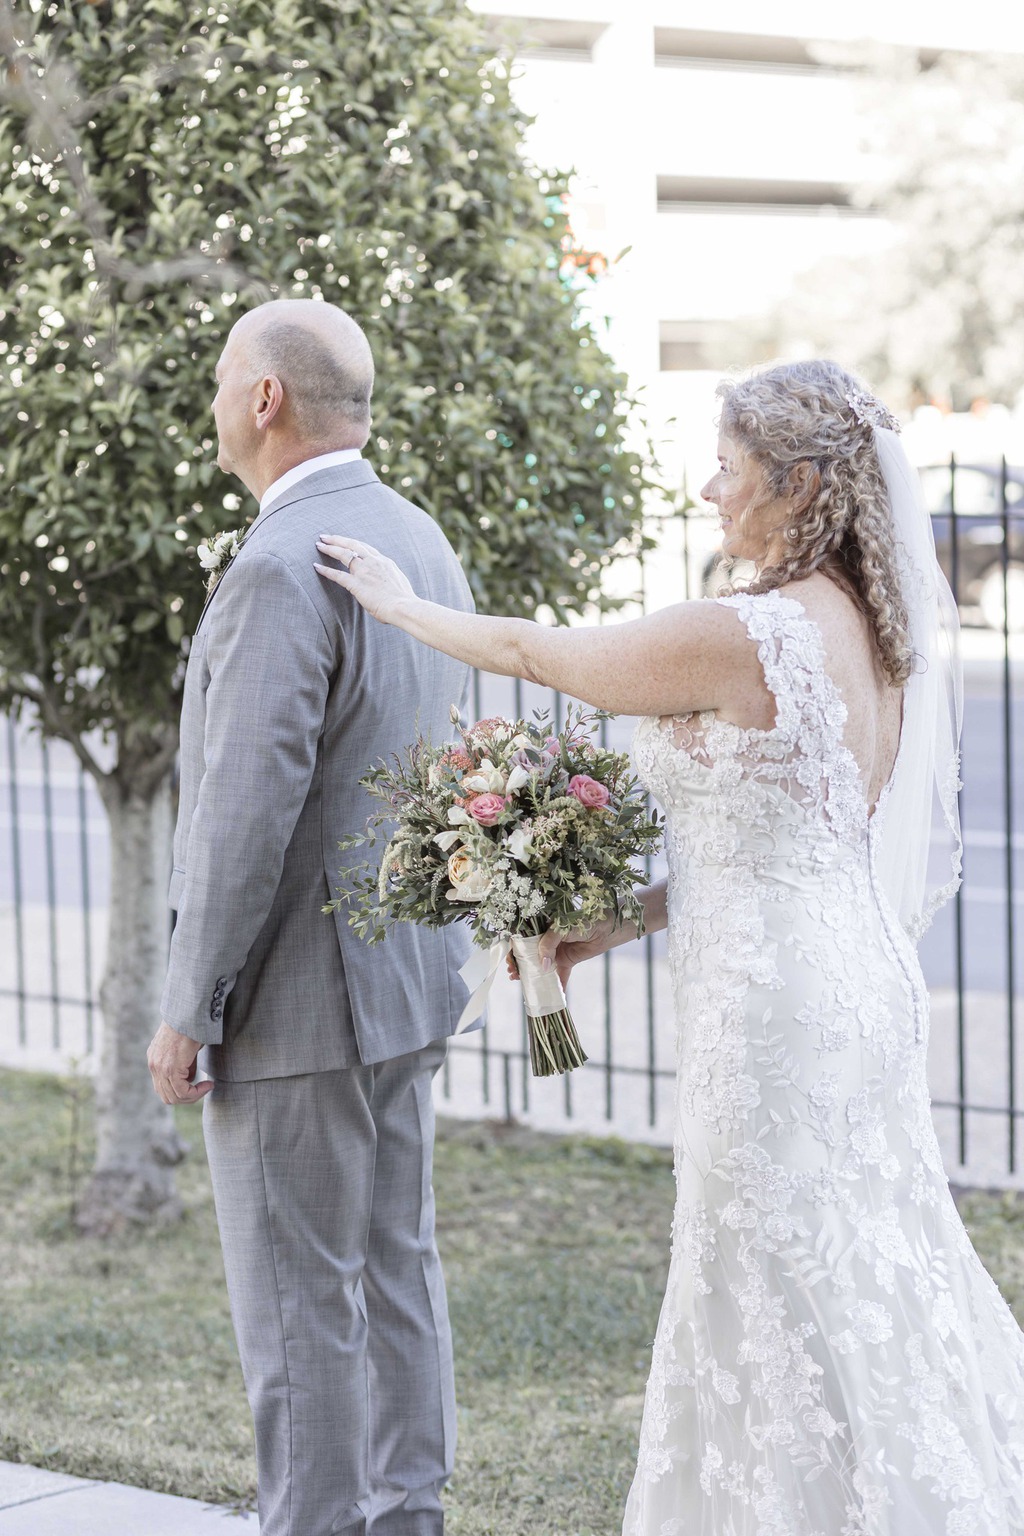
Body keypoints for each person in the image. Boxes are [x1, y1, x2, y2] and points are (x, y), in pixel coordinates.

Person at [314, 359, 1024, 1534]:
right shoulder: (870, 625)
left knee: (770, 1277)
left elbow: (538, 654)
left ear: (798, 484)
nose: (706, 490)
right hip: (853, 983)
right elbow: (776, 844)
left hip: (774, 1015)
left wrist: (398, 605)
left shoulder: (741, 631)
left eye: (727, 468)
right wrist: (616, 921)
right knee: (862, 1260)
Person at [147, 298, 475, 1536]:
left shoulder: (279, 566)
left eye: (222, 377)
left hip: (295, 1006)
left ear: (266, 399)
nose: (215, 400)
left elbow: (245, 816)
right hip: (407, 979)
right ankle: (406, 1518)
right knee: (396, 1270)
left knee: (297, 1312)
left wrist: (189, 1007)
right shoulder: (415, 535)